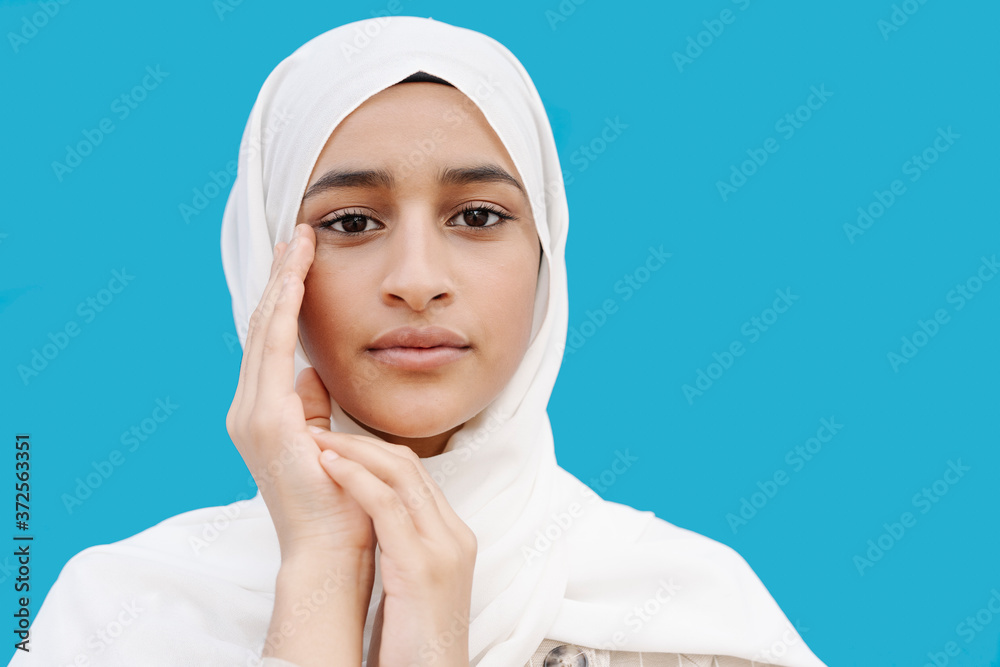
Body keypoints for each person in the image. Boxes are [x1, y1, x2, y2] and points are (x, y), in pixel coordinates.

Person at [13, 16, 827, 667]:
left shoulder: (691, 617)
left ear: (546, 256)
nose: (417, 278)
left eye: (478, 216)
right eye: (351, 222)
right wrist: (323, 574)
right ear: (267, 261)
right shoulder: (121, 614)